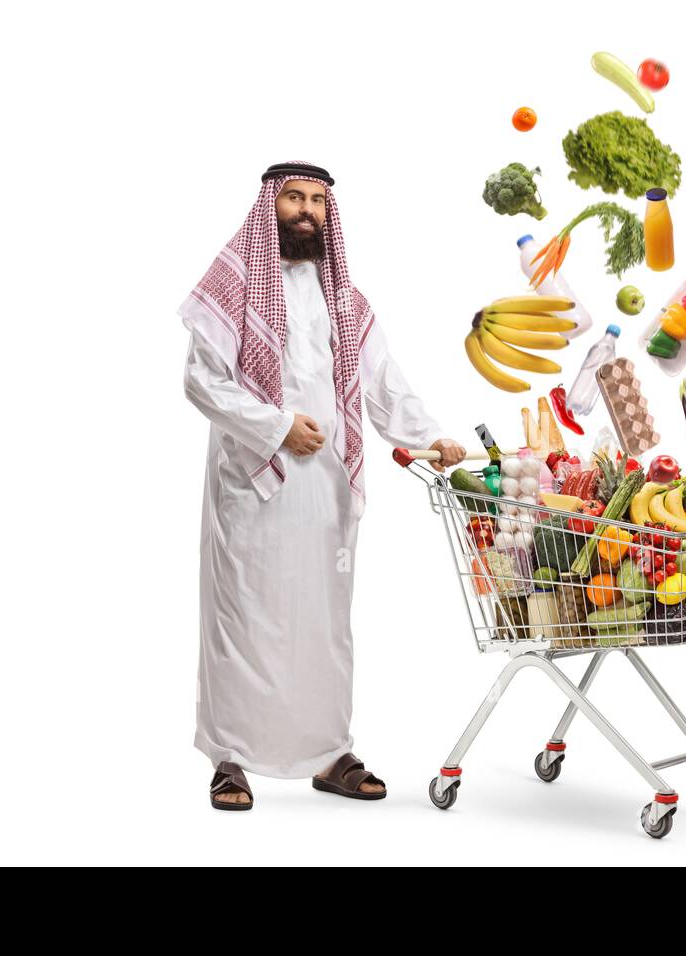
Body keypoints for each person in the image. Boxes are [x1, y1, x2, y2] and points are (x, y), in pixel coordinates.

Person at [178, 160, 465, 808]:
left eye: (316, 201)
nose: (306, 210)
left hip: (328, 488)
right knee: (243, 618)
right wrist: (277, 427)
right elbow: (201, 381)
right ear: (270, 207)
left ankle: (330, 752)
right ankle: (232, 756)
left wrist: (428, 436)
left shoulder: (347, 298)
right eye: (294, 199)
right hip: (256, 488)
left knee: (325, 624)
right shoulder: (232, 286)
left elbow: (382, 382)